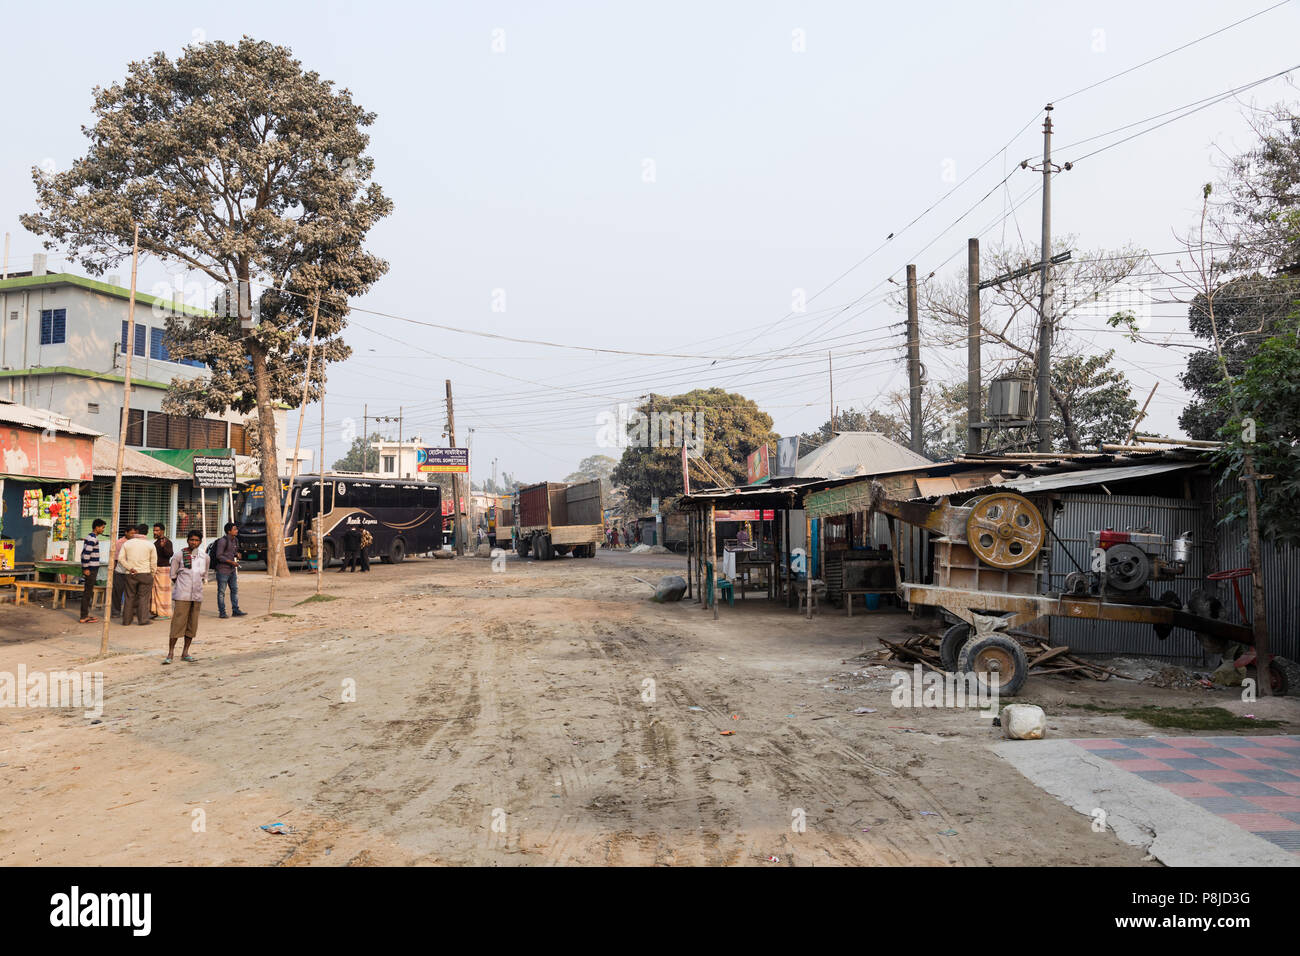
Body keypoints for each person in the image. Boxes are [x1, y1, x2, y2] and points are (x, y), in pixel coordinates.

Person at [166, 530, 208, 664]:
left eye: (196, 540)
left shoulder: (204, 557)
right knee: (177, 624)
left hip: (197, 596)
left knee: (192, 625)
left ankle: (185, 652)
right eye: (191, 540)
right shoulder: (179, 555)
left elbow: (204, 575)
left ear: (200, 542)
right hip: (182, 595)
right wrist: (182, 585)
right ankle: (170, 653)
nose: (194, 542)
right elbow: (173, 575)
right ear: (187, 540)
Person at [120, 523, 157, 626]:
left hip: (130, 573)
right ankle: (143, 620)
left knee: (129, 597)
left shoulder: (127, 543)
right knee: (143, 597)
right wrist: (152, 573)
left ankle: (126, 621)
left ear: (136, 531)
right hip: (145, 573)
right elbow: (154, 562)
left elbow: (121, 558)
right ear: (147, 532)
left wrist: (129, 568)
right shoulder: (150, 545)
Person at [214, 522, 246, 618]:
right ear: (229, 531)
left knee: (234, 590)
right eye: (234, 529)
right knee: (221, 592)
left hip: (232, 570)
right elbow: (219, 556)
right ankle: (222, 612)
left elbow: (233, 552)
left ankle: (235, 610)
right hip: (222, 570)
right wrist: (231, 562)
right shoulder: (222, 541)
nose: (237, 531)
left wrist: (237, 555)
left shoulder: (235, 540)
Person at [79, 518, 106, 624]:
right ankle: (83, 616)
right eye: (102, 527)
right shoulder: (92, 538)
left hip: (91, 568)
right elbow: (86, 554)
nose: (103, 530)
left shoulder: (90, 537)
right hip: (91, 569)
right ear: (97, 527)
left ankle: (85, 614)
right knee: (87, 592)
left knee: (88, 592)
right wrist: (86, 568)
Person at [110, 525, 135, 615]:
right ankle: (115, 611)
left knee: (130, 593)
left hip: (131, 572)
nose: (133, 535)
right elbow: (116, 559)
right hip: (120, 571)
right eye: (131, 533)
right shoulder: (119, 543)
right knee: (117, 593)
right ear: (126, 533)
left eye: (134, 533)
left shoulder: (135, 542)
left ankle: (128, 612)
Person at [151, 522, 174, 620]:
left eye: (157, 530)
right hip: (157, 569)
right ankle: (157, 611)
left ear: (162, 531)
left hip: (164, 569)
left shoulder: (167, 542)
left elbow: (170, 554)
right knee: (156, 592)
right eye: (154, 530)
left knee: (163, 593)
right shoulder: (156, 542)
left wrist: (163, 547)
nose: (155, 532)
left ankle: (165, 613)